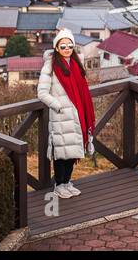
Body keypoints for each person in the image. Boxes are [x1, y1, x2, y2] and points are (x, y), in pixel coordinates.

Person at [37, 28, 95, 199]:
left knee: (73, 152)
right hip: (61, 117)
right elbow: (42, 93)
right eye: (63, 46)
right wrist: (58, 106)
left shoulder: (76, 64)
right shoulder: (50, 66)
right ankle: (59, 185)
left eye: (70, 45)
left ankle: (67, 182)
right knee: (61, 155)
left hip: (77, 116)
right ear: (56, 48)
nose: (67, 49)